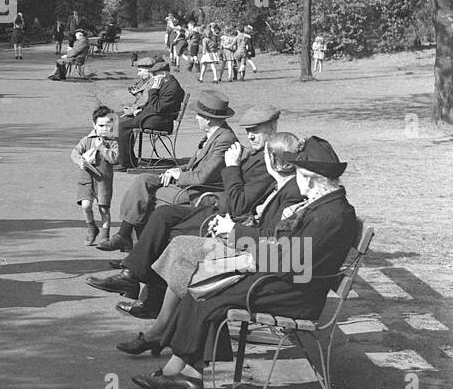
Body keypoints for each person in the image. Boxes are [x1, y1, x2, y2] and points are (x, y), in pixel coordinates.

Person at [132, 137, 357, 389]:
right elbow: (289, 251)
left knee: (207, 294)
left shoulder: (331, 214)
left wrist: (247, 259)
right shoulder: (325, 204)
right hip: (287, 280)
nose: (298, 181)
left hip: (296, 292)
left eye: (299, 175)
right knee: (201, 282)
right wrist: (247, 256)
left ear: (311, 178)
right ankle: (181, 373)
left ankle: (187, 377)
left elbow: (294, 260)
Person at [114, 128, 300, 352]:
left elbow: (280, 245)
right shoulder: (284, 184)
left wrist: (234, 229)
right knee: (180, 247)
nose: (250, 136)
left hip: (256, 262)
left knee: (192, 268)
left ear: (274, 162)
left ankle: (166, 337)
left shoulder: (292, 191)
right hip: (249, 247)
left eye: (255, 131)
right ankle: (162, 329)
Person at [90, 102, 284, 301]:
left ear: (273, 128)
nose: (250, 136)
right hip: (214, 204)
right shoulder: (255, 153)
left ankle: (144, 290)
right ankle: (132, 274)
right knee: (161, 212)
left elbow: (238, 203)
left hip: (219, 209)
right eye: (248, 131)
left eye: (255, 130)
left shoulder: (269, 161)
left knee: (165, 223)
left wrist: (232, 166)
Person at [96, 90, 237, 251]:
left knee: (148, 197)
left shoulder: (225, 140)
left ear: (209, 119)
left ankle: (133, 246)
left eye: (199, 115)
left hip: (201, 191)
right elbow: (194, 165)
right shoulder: (213, 134)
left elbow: (202, 177)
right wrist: (176, 169)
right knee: (144, 180)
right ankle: (125, 237)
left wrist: (179, 175)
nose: (197, 118)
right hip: (190, 181)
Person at [115, 55, 185, 171]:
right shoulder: (167, 83)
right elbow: (154, 105)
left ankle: (126, 163)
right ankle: (126, 159)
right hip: (155, 117)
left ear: (163, 73)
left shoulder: (171, 87)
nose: (153, 77)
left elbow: (157, 107)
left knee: (122, 126)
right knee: (121, 123)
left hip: (160, 121)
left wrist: (154, 90)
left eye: (155, 74)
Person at [71, 105, 119, 245]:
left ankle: (105, 234)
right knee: (86, 205)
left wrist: (102, 148)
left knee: (103, 208)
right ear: (94, 125)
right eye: (101, 125)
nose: (104, 129)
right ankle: (92, 228)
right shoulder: (87, 140)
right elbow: (75, 153)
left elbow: (114, 159)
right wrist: (80, 162)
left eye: (108, 126)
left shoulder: (113, 142)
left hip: (103, 180)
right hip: (86, 178)